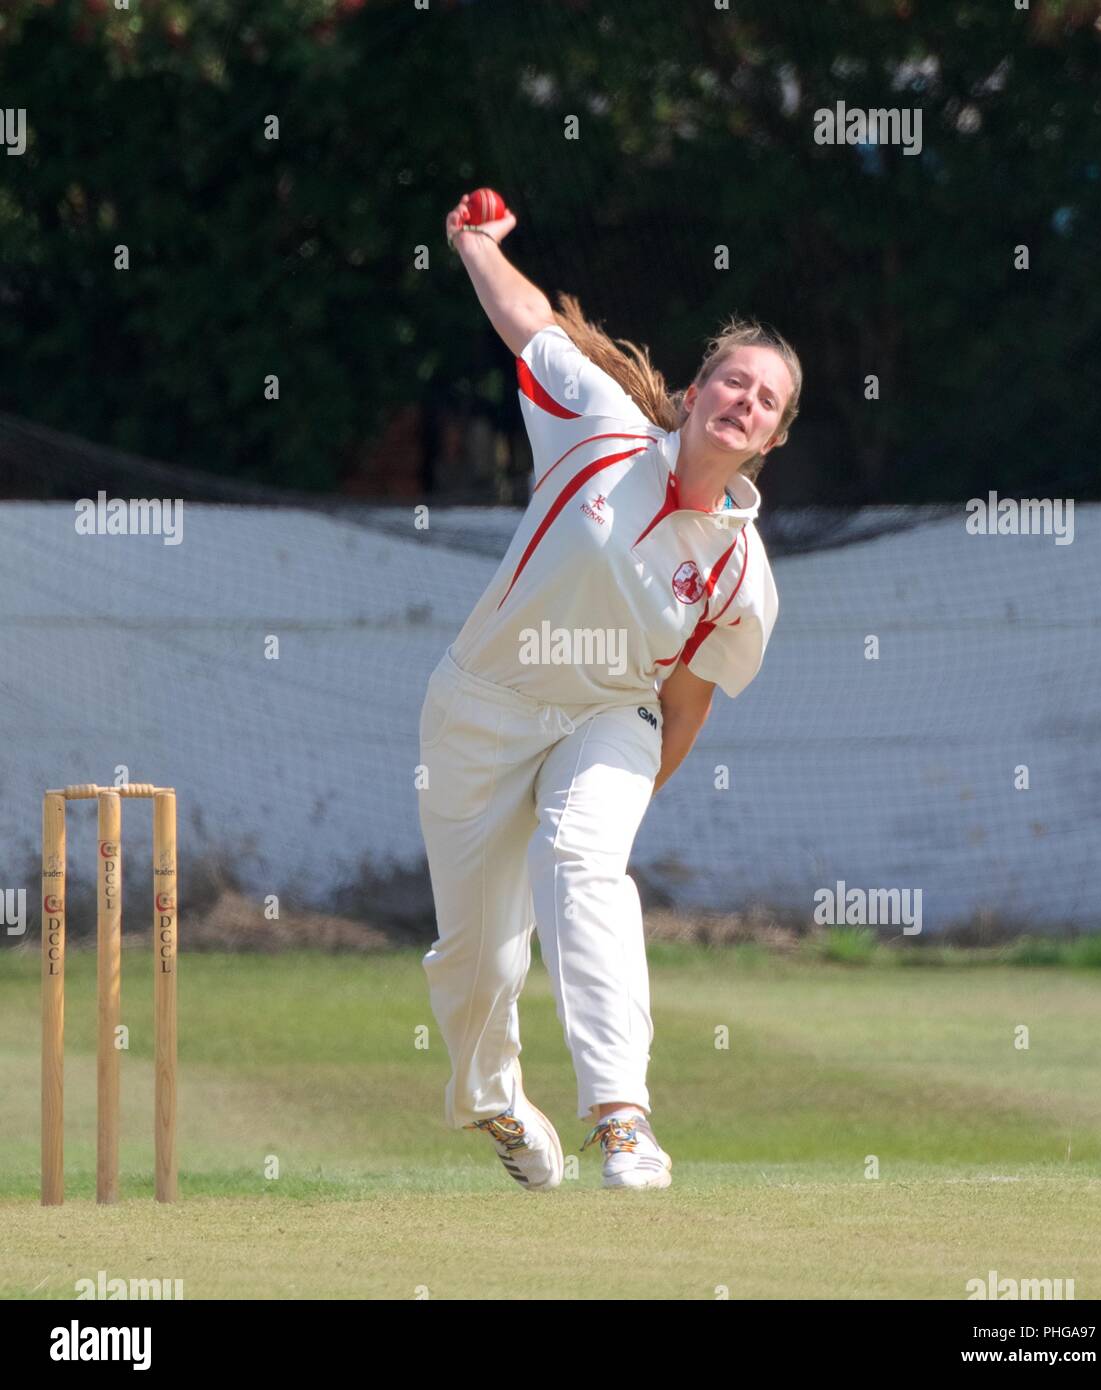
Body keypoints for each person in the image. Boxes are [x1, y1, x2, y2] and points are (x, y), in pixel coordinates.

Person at [418, 195, 802, 1191]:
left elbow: (685, 707)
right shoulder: (601, 428)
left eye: (766, 399)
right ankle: (492, 1098)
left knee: (584, 864)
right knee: (481, 961)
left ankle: (622, 1119)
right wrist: (470, 246)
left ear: (774, 438)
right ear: (696, 387)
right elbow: (530, 323)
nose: (744, 401)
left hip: (608, 717)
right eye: (732, 380)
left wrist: (614, 805)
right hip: (480, 705)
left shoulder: (742, 577)